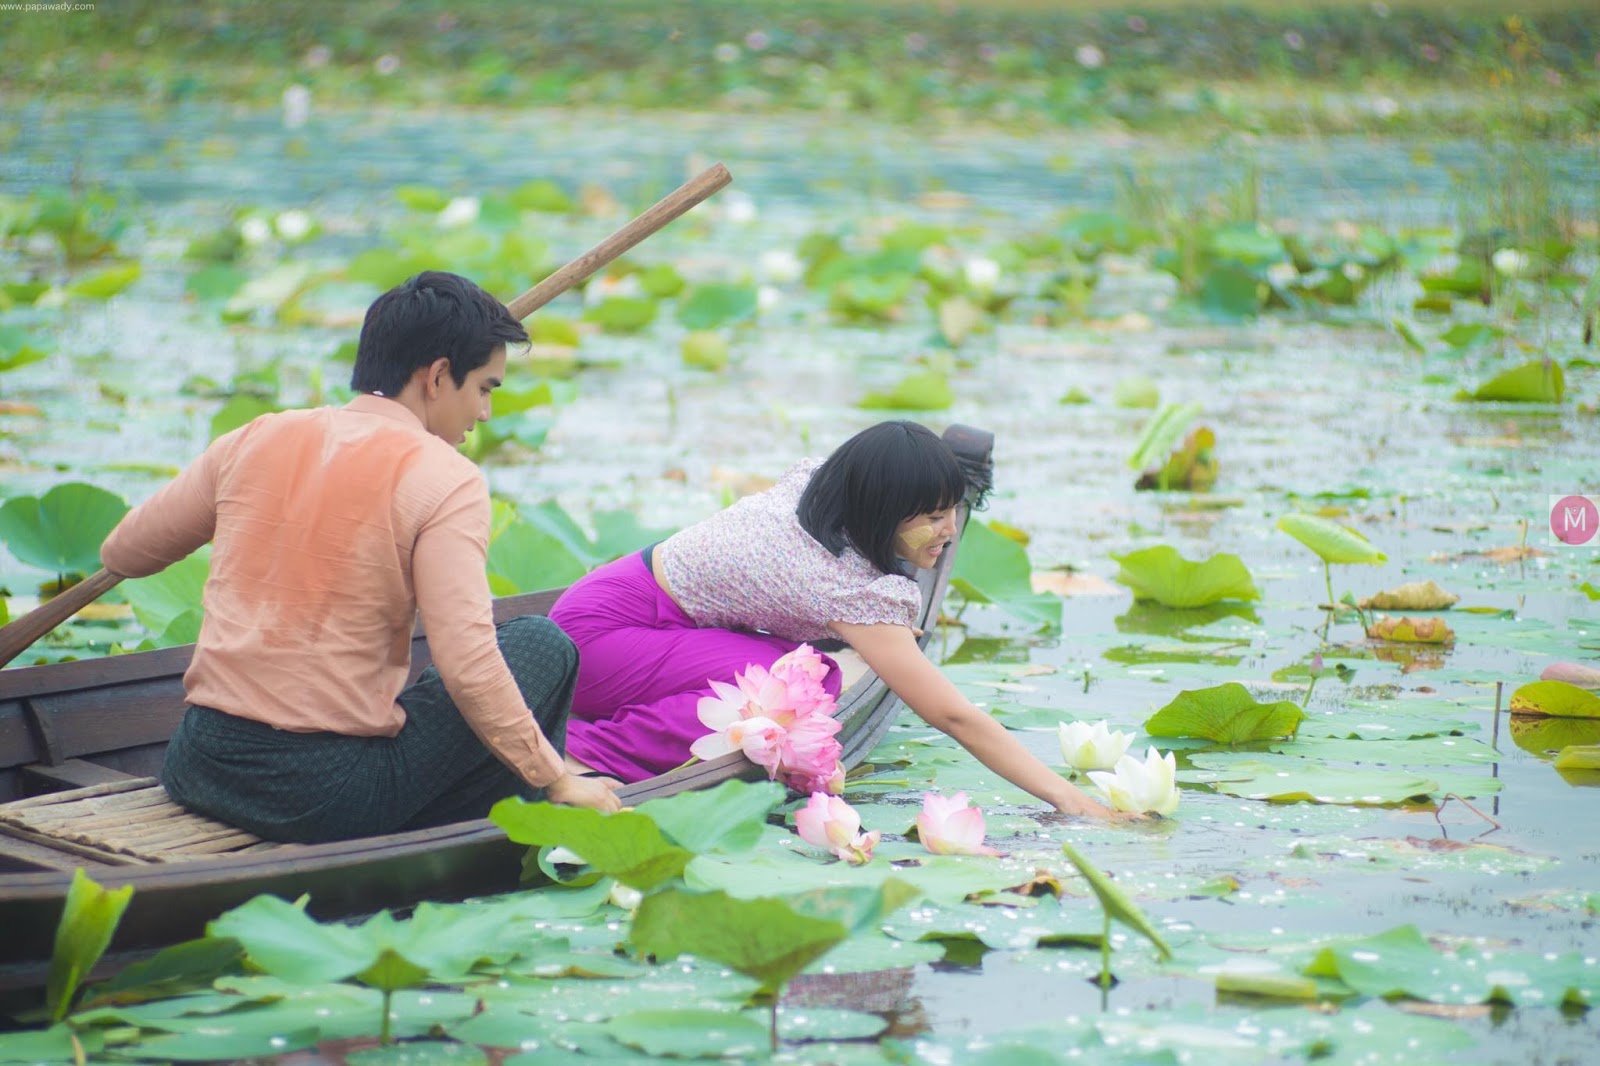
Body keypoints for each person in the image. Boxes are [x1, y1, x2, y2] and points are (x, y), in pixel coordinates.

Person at [99, 271, 620, 844]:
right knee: (541, 646)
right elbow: (467, 662)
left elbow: (124, 552)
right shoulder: (446, 478)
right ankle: (491, 829)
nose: (487, 414)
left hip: (198, 764)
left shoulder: (255, 436)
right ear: (439, 376)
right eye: (485, 388)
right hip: (317, 795)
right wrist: (553, 777)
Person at [548, 420, 1118, 819]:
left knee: (796, 670)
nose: (950, 531)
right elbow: (954, 715)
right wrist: (1071, 799)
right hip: (602, 639)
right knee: (791, 693)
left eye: (953, 511)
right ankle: (580, 753)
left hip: (621, 604)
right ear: (881, 512)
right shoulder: (839, 586)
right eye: (935, 515)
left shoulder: (824, 488)